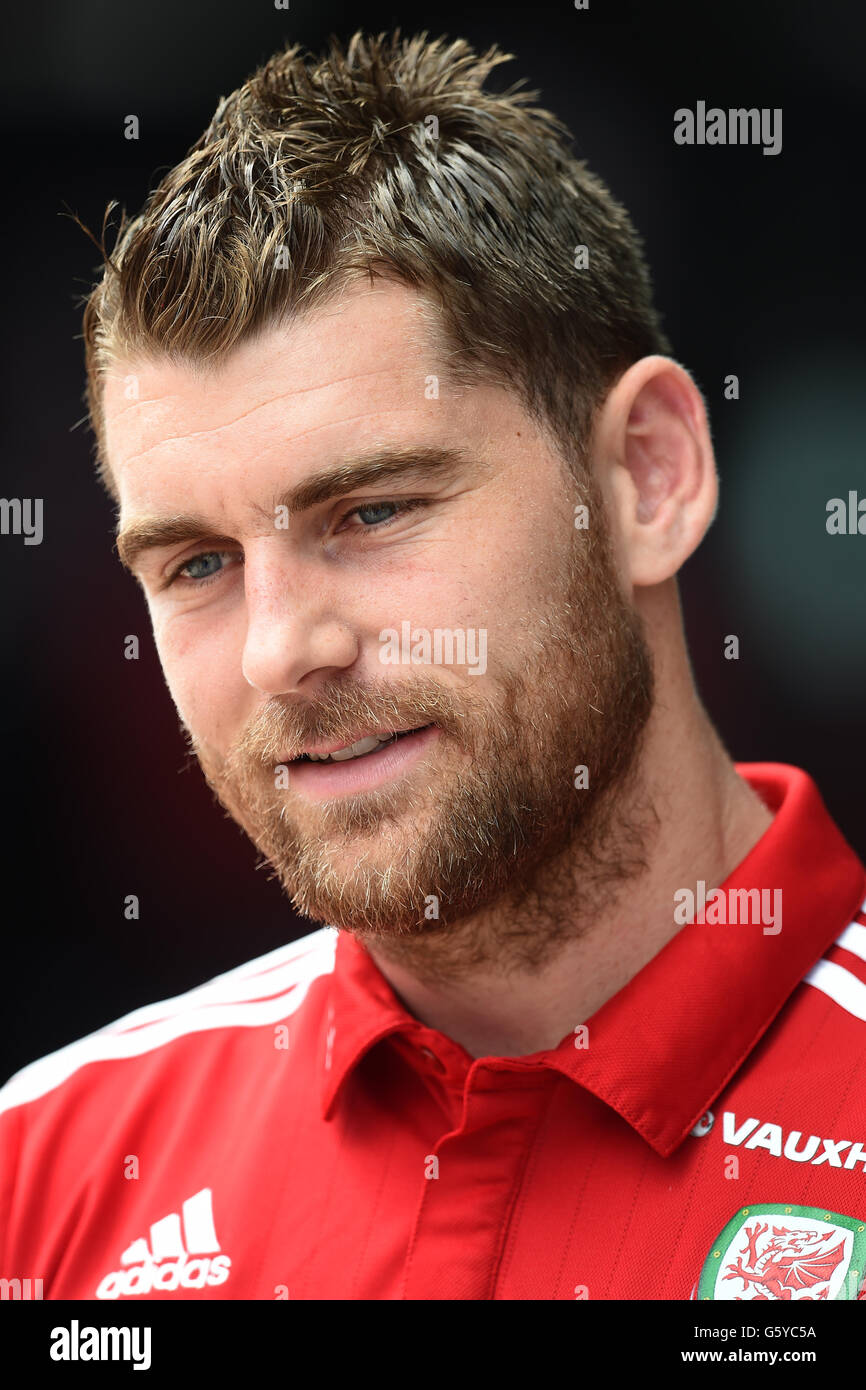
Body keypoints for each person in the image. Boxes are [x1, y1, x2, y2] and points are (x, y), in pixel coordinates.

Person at [2, 30, 864, 1303]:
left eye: (373, 511)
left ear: (645, 477)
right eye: (194, 564)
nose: (284, 646)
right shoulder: (46, 1168)